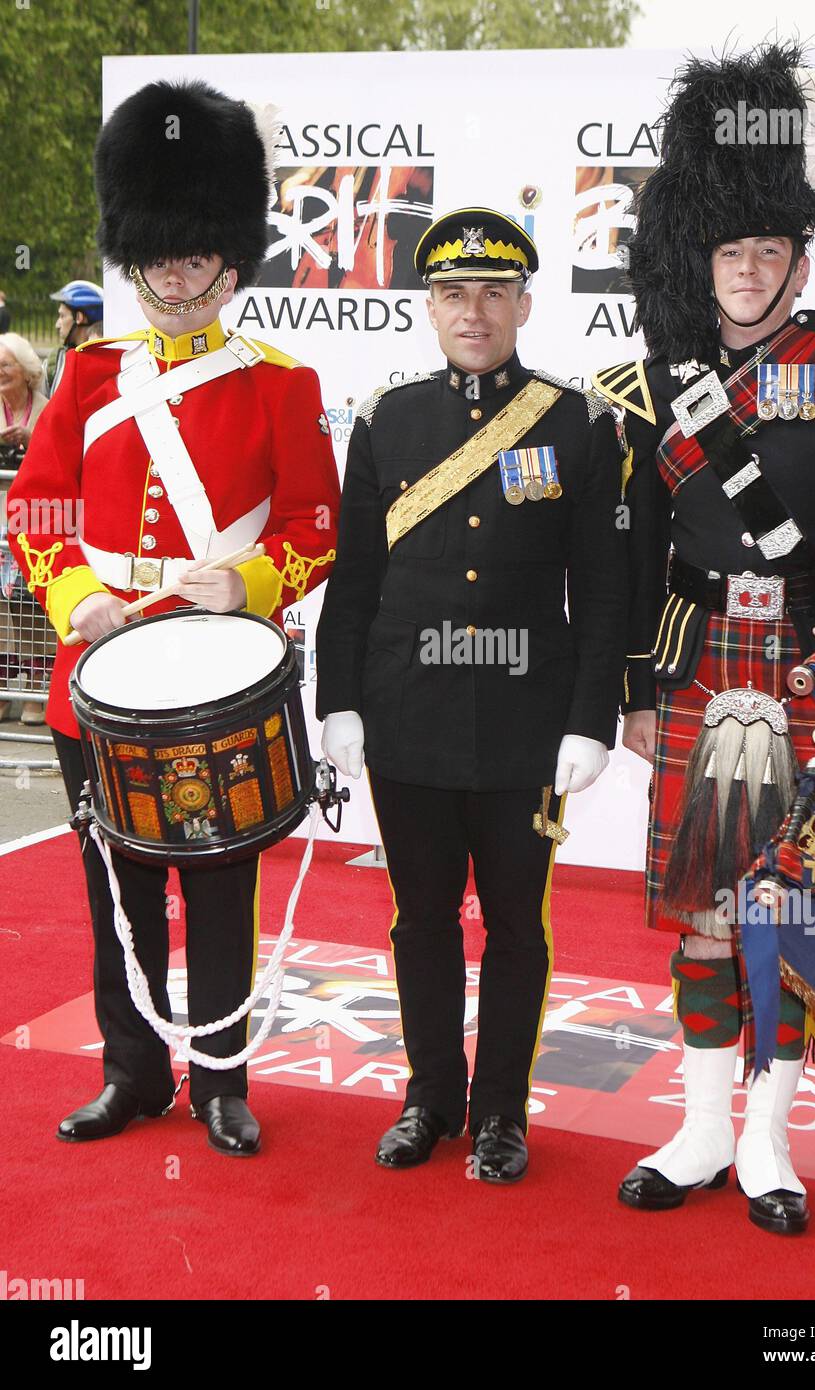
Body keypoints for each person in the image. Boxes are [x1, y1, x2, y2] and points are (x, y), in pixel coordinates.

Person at [593, 44, 815, 1234]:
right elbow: (631, 552)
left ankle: (767, 1139)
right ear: (703, 254)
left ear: (803, 255)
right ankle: (697, 1126)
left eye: (770, 251)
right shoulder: (654, 383)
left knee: (789, 907)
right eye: (730, 250)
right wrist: (636, 685)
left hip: (814, 664)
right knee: (704, 907)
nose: (748, 271)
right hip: (703, 671)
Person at [8, 79, 340, 1156]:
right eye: (159, 260)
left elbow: (318, 524)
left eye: (196, 260)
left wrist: (246, 586)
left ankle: (223, 1079)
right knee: (117, 890)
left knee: (219, 881)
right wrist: (73, 594)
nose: (177, 277)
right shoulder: (88, 375)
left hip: (215, 675)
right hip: (96, 674)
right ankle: (132, 1072)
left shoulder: (282, 385)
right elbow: (37, 505)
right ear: (138, 261)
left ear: (229, 265)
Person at [316, 208, 626, 1182]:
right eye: (455, 293)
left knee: (518, 928)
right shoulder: (386, 419)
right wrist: (340, 701)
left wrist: (589, 720)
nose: (475, 311)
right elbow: (353, 579)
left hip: (525, 730)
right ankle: (430, 1097)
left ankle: (500, 1113)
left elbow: (605, 588)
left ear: (525, 301)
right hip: (407, 718)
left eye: (494, 292)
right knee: (419, 920)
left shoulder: (577, 422)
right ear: (431, 306)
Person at [0, 332, 50, 723]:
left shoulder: (47, 411)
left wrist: (32, 439)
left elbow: (60, 460)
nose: (0, 372)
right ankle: (3, 689)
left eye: (6, 365)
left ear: (26, 372)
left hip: (35, 518)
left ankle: (34, 688)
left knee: (29, 601)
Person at [44, 280, 104, 397]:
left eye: (62, 316)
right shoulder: (55, 361)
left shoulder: (103, 361)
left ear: (79, 317)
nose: (57, 324)